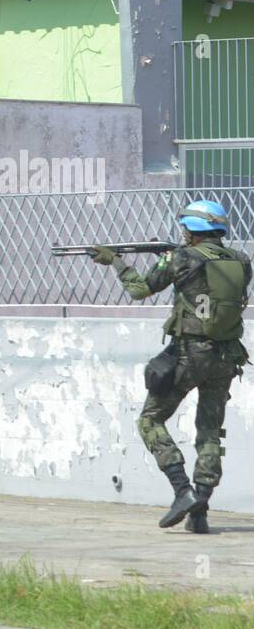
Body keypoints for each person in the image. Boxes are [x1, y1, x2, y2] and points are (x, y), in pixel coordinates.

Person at [93, 199, 252, 533]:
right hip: (226, 357)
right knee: (209, 431)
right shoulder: (242, 260)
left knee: (150, 421)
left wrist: (116, 261)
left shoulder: (180, 257)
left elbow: (139, 289)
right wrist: (170, 258)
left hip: (189, 355)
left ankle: (183, 492)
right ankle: (200, 511)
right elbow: (205, 286)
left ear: (192, 230)